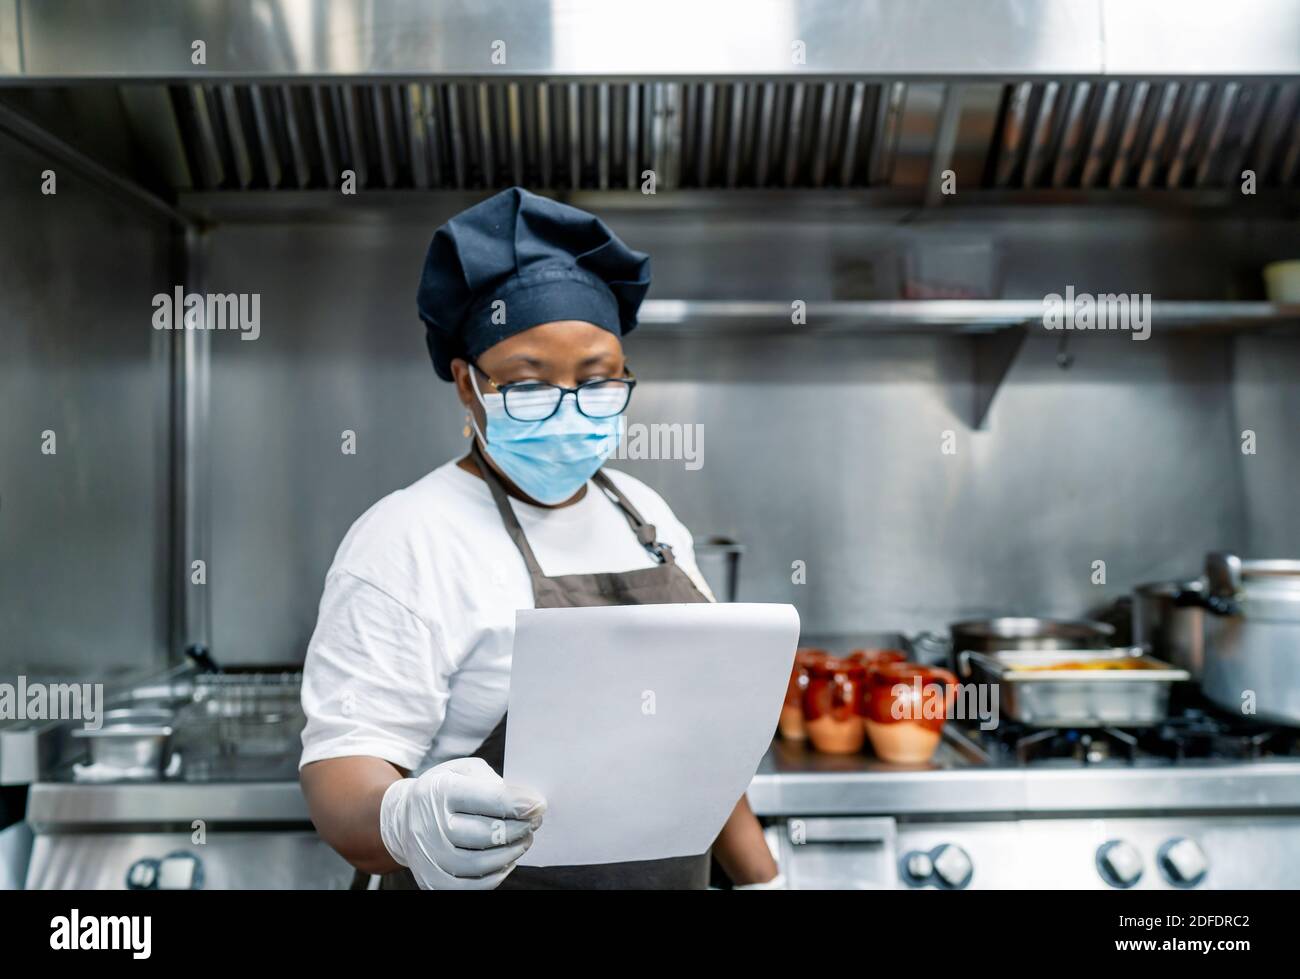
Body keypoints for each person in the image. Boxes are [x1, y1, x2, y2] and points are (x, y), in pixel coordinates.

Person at [299, 187, 780, 889]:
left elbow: (698, 741)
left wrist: (766, 879)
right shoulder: (407, 539)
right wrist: (404, 817)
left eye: (597, 381)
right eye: (528, 385)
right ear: (468, 385)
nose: (569, 409)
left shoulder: (645, 516)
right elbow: (342, 771)